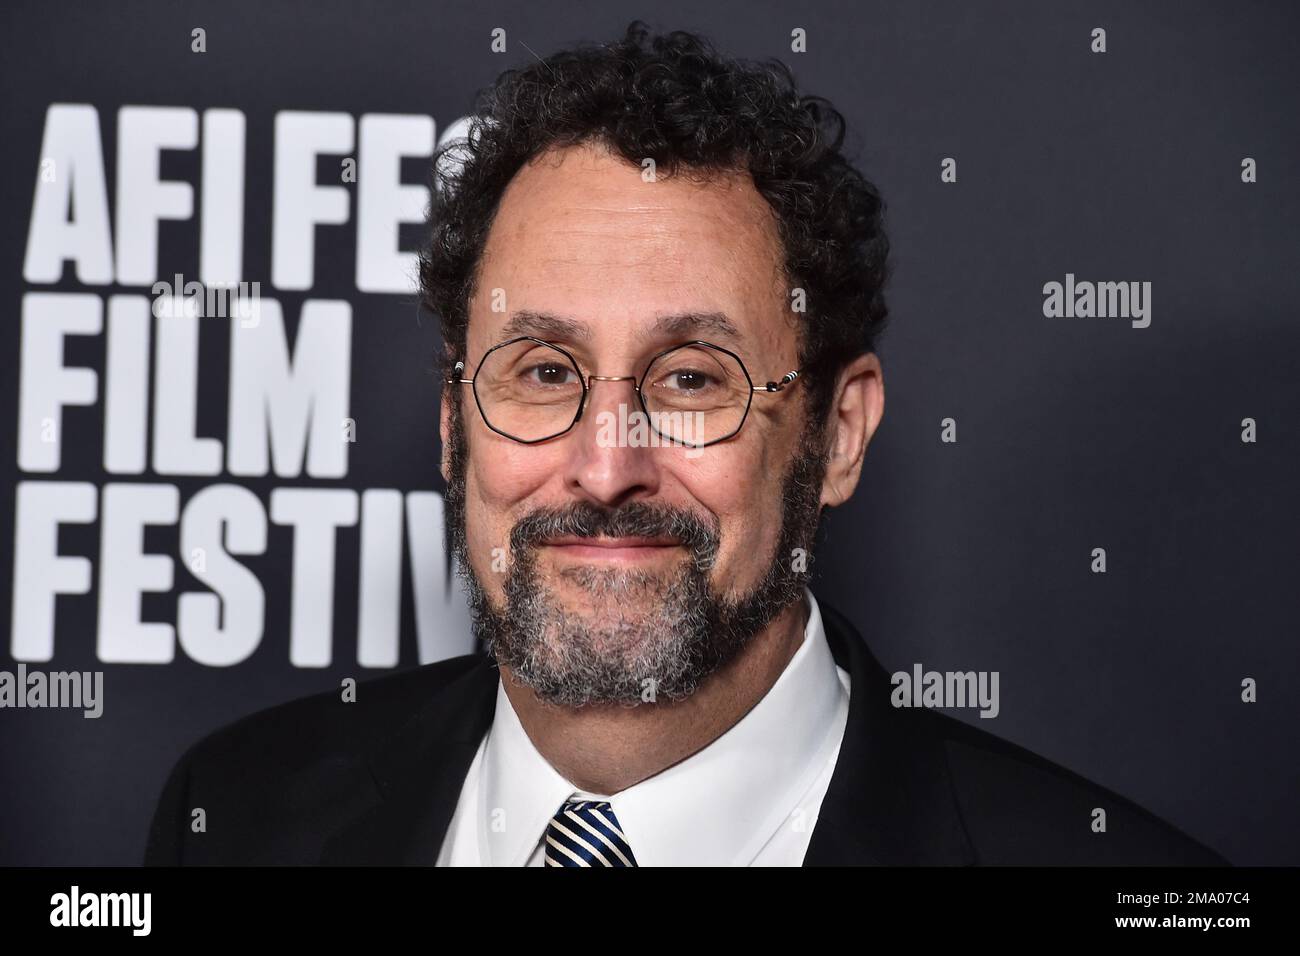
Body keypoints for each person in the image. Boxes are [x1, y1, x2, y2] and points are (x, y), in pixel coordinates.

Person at [144, 22, 1225, 867]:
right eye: (543, 371)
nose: (607, 466)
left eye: (692, 379)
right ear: (450, 421)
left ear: (838, 433)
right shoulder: (236, 812)